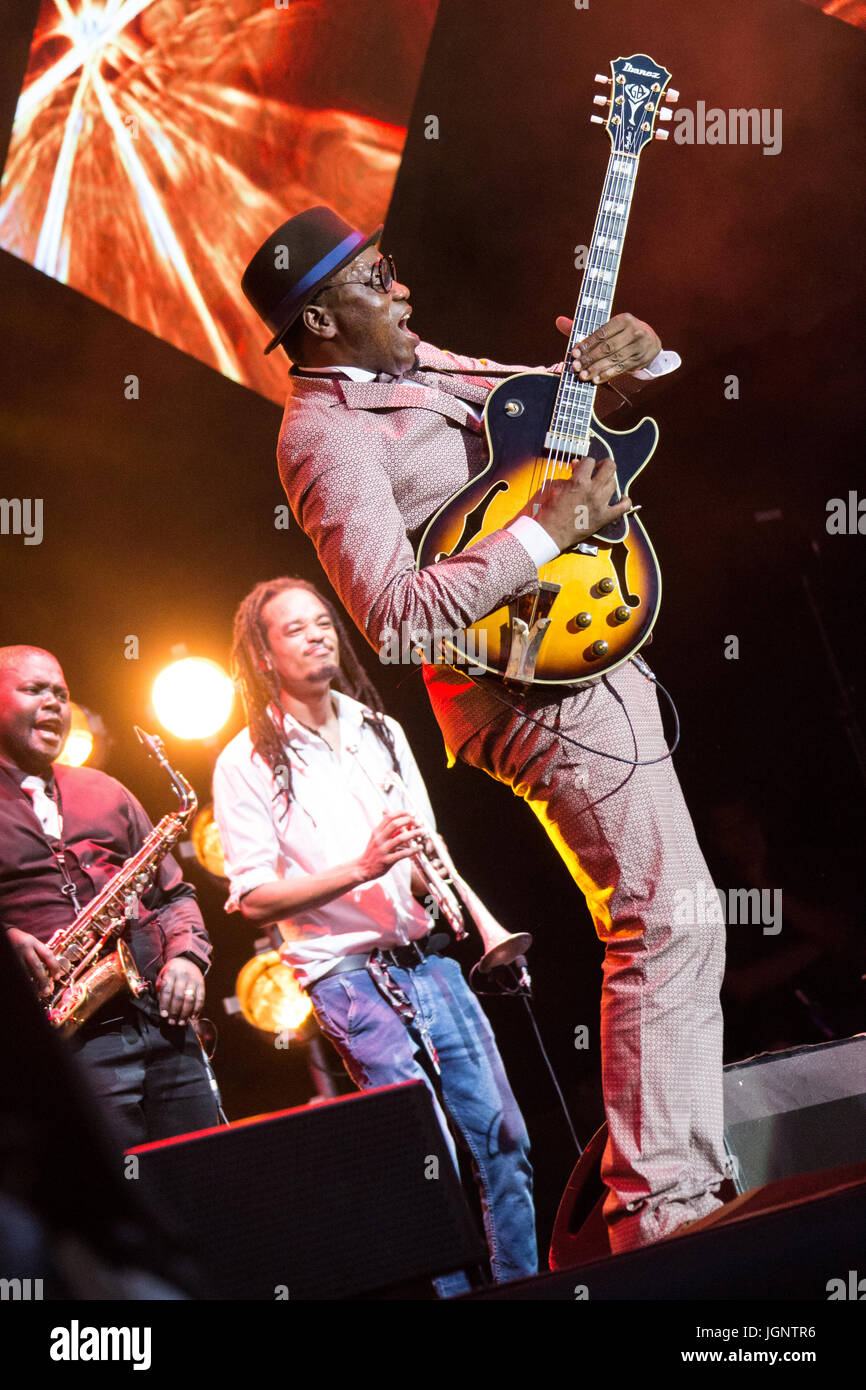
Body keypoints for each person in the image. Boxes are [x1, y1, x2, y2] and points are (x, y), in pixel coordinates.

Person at [239, 206, 731, 1253]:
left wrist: (632, 360)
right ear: (322, 319)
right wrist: (541, 530)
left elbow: (562, 416)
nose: (401, 286)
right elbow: (394, 614)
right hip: (520, 683)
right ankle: (660, 1212)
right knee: (664, 912)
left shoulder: (420, 362)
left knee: (678, 913)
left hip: (582, 650)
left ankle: (677, 1186)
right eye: (377, 277)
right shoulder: (321, 436)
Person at [212, 576, 537, 1287]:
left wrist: (436, 887)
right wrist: (363, 867)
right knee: (431, 1164)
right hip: (349, 980)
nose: (317, 634)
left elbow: (425, 850)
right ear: (262, 655)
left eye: (323, 621)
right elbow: (256, 897)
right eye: (294, 629)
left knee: (506, 1141)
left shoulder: (381, 730)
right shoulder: (245, 760)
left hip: (430, 960)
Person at [0, 645, 220, 1151]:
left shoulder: (105, 789)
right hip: (68, 1043)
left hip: (163, 1024)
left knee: (211, 1172)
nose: (54, 703)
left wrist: (186, 959)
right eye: (35, 690)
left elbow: (173, 893)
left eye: (62, 693)